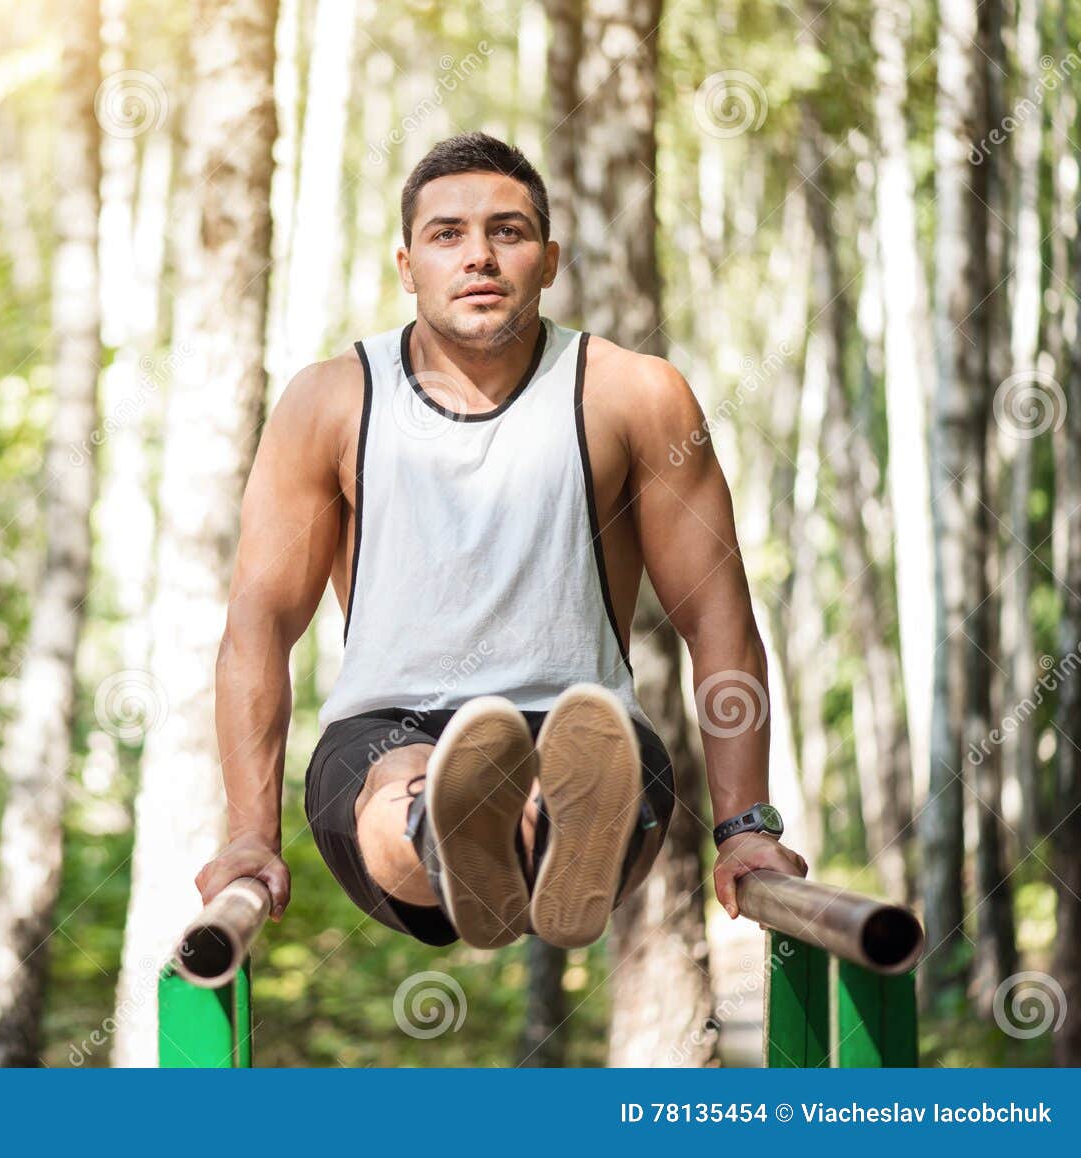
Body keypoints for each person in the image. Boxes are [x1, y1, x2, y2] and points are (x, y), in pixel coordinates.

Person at [195, 131, 807, 950]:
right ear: (408, 266)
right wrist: (248, 834)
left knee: (583, 766)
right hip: (388, 727)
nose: (478, 255)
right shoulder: (331, 401)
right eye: (447, 234)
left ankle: (544, 833)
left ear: (548, 261)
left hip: (586, 728)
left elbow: (719, 618)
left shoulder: (633, 394)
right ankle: (464, 844)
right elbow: (258, 624)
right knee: (399, 785)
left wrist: (746, 825)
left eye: (507, 232)